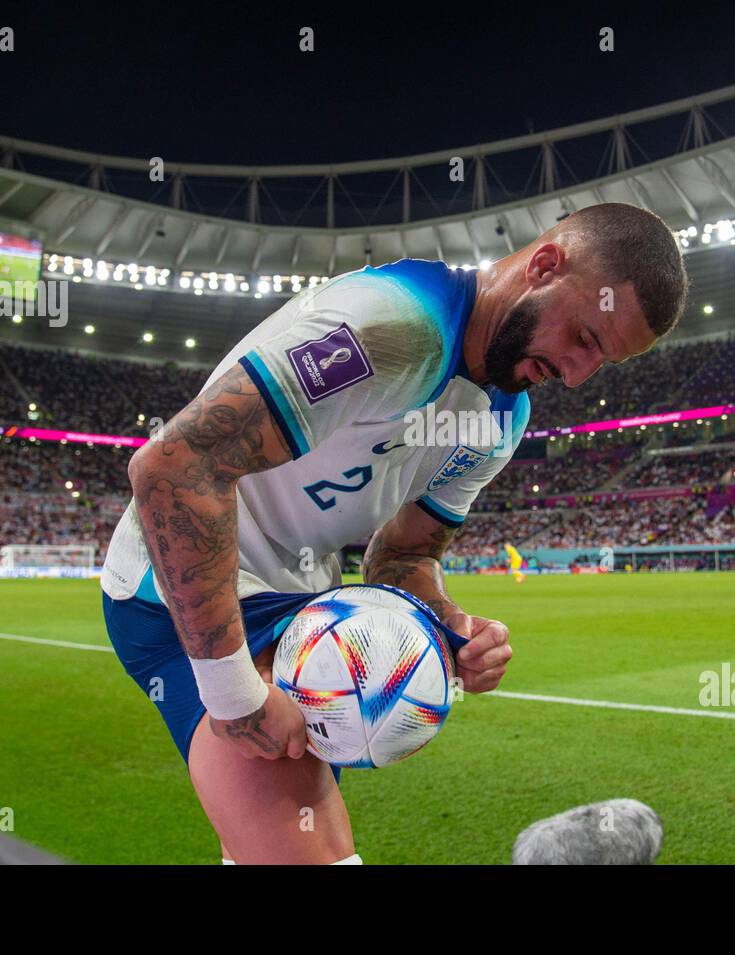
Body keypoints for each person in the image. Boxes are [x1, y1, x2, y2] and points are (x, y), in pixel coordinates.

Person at [100, 203, 688, 864]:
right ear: (545, 266)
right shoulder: (394, 328)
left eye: (601, 362)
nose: (578, 374)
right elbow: (174, 468)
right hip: (179, 590)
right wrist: (234, 695)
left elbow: (405, 553)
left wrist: (451, 624)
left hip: (306, 609)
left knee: (271, 848)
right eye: (584, 337)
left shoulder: (499, 418)